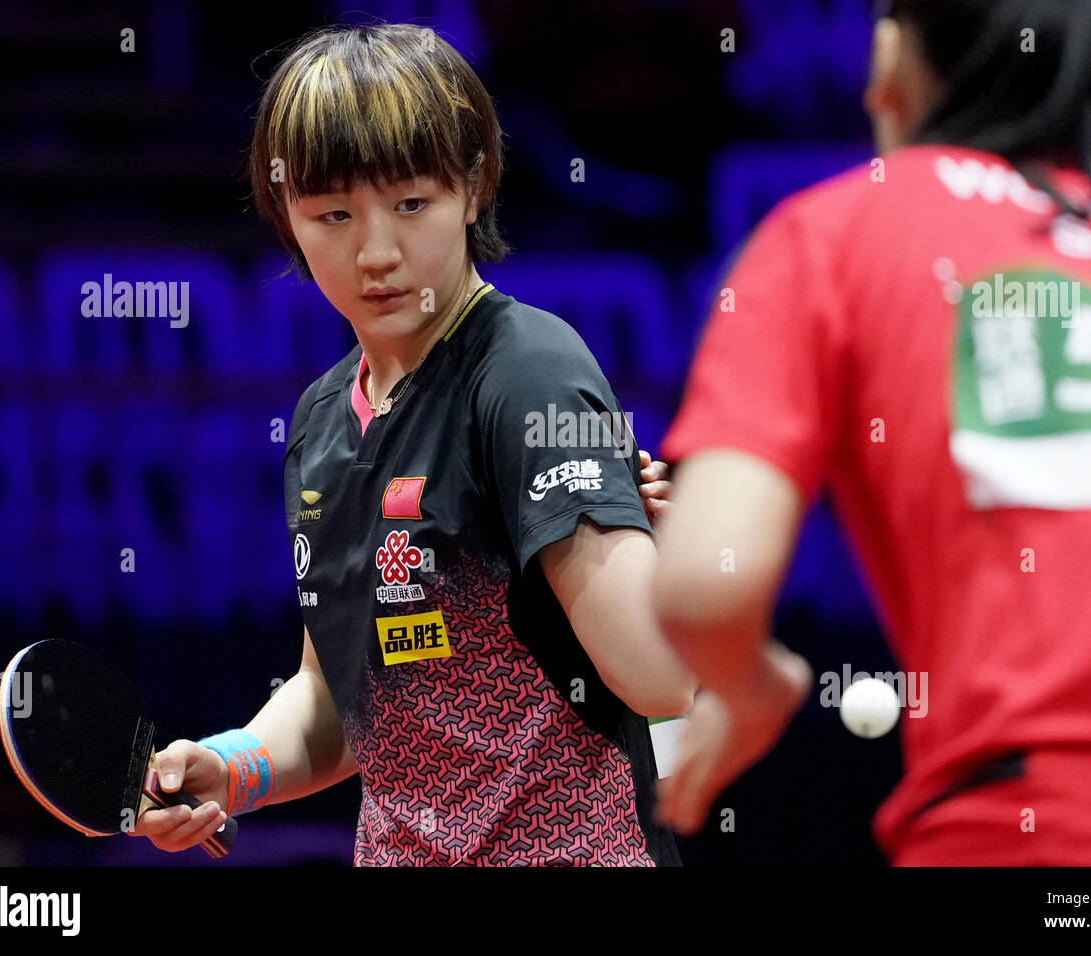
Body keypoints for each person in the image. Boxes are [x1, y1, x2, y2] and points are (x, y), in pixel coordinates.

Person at [652, 0, 1091, 866]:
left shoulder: (836, 234)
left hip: (1033, 837)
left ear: (893, 61)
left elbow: (705, 583)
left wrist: (756, 686)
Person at [131, 22, 693, 866]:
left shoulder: (525, 373)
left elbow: (661, 679)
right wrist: (228, 768)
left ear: (474, 187)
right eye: (333, 214)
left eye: (411, 203)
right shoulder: (324, 422)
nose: (377, 253)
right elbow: (336, 703)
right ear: (287, 215)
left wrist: (679, 563)